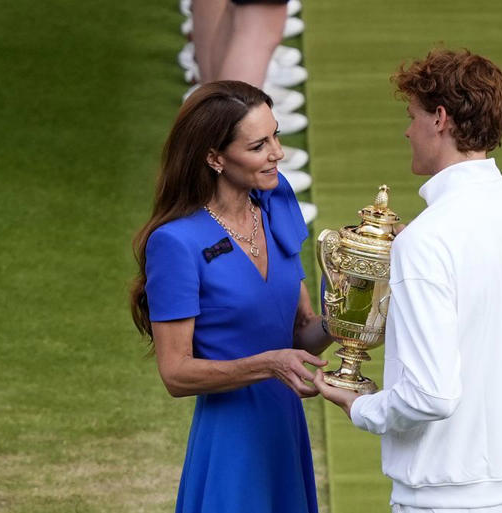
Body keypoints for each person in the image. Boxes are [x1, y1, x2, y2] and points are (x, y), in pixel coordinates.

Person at [315, 48, 502, 513]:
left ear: (440, 119)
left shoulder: (427, 241)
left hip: (443, 500)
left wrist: (359, 405)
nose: (407, 130)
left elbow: (430, 396)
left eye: (412, 116)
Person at [130, 80, 331, 513]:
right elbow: (176, 373)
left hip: (284, 428)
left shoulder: (278, 202)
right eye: (259, 145)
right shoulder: (175, 243)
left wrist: (343, 320)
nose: (277, 152)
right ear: (215, 157)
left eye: (276, 135)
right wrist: (269, 364)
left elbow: (300, 332)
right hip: (230, 443)